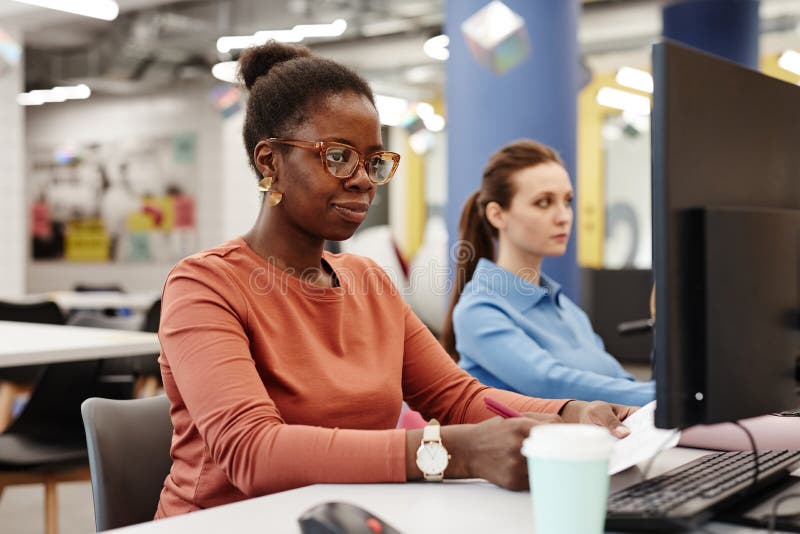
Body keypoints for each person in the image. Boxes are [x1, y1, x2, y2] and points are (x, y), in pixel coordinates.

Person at [155, 43, 636, 518]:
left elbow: (459, 397)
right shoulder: (204, 286)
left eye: (374, 161)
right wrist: (454, 452)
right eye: (338, 157)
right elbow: (252, 452)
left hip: (353, 518)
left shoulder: (367, 281)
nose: (364, 179)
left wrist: (570, 412)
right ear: (269, 163)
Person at [441, 140, 654, 407]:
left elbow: (621, 383)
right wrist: (665, 398)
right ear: (497, 215)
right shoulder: (478, 310)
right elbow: (550, 382)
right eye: (543, 203)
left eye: (567, 201)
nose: (563, 216)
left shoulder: (567, 310)